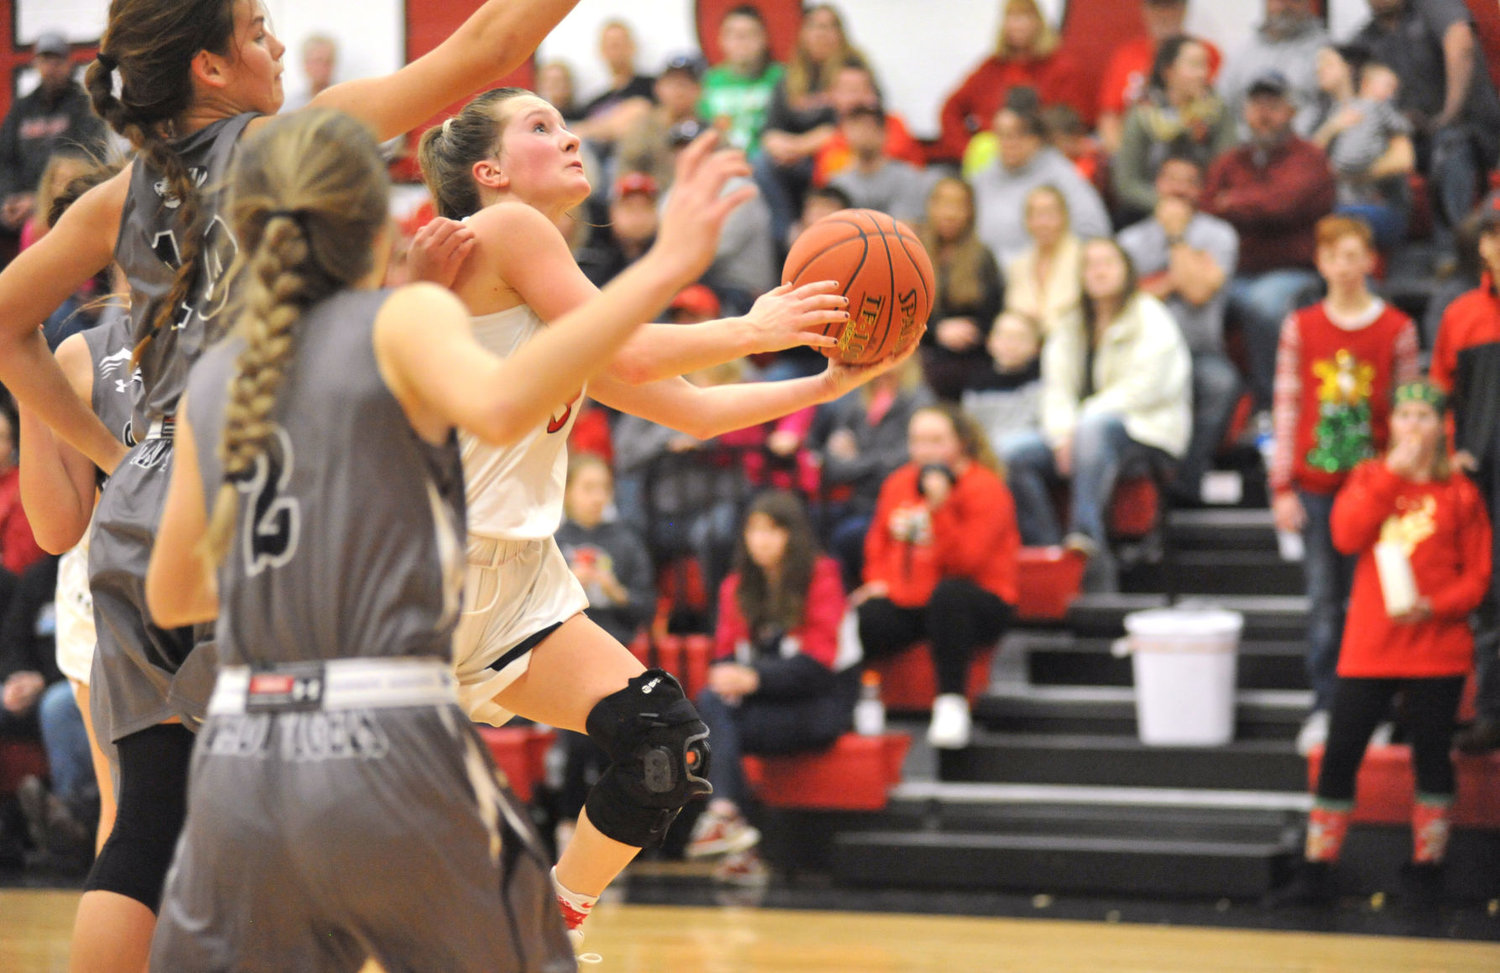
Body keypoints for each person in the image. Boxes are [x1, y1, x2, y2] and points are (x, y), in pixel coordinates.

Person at [0, 1, 590, 969]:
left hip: (151, 512)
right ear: (211, 70)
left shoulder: (122, 194)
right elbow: (489, 46)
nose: (276, 45)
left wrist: (118, 457)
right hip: (267, 508)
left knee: (145, 825)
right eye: (258, 30)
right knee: (339, 820)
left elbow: (5, 322)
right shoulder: (293, 149)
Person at [142, 107, 753, 967]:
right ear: (375, 220)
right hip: (384, 719)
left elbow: (176, 596)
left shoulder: (224, 372)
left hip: (254, 733)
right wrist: (675, 266)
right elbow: (515, 401)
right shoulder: (409, 315)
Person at [413, 85, 917, 950]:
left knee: (663, 744)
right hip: (422, 576)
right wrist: (761, 328)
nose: (570, 138)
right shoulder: (506, 227)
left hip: (515, 583)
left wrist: (828, 385)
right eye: (542, 127)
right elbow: (640, 348)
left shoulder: (546, 287)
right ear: (490, 172)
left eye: (567, 122)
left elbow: (690, 412)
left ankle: (553, 923)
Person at [1273, 381, 1490, 907]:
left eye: (1424, 416)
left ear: (1442, 427)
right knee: (1341, 753)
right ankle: (1318, 866)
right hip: (1371, 645)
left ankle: (1426, 869)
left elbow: (1478, 577)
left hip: (1436, 647)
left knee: (1432, 757)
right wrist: (1394, 471)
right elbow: (1346, 535)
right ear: (1390, 425)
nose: (1413, 425)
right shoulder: (1369, 477)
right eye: (1405, 415)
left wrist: (1434, 607)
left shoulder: (1460, 492)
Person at [1268, 215, 1420, 755]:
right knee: (1324, 603)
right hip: (1315, 486)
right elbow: (1287, 405)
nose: (1346, 266)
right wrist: (1281, 486)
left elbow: (1407, 413)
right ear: (1321, 261)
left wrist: (1401, 484)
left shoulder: (1397, 328)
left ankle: (1373, 711)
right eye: (1336, 256)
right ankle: (1325, 707)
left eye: (1356, 255)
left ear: (1371, 261)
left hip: (1375, 490)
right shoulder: (1301, 326)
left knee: (1372, 605)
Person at [1001, 237, 1191, 591]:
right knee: (1010, 453)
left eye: (1108, 263)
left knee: (1095, 426)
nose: (1099, 271)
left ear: (1127, 271)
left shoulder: (1151, 317)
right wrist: (1061, 433)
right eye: (1090, 264)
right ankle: (1050, 548)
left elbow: (1147, 389)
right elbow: (1055, 390)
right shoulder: (1070, 323)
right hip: (1079, 433)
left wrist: (1079, 423)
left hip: (1146, 431)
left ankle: (1084, 536)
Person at [688, 491, 854, 883]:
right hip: (763, 706)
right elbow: (724, 655)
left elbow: (818, 667)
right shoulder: (736, 587)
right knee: (711, 703)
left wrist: (754, 678)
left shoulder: (822, 575)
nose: (761, 540)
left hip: (817, 707)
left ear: (793, 536)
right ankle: (727, 818)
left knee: (712, 727)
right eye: (754, 530)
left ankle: (732, 830)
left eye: (772, 531)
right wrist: (729, 677)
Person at [855, 403, 1019, 749]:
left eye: (935, 440)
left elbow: (967, 563)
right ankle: (854, 704)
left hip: (978, 600)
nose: (924, 450)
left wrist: (941, 507)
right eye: (917, 441)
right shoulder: (899, 482)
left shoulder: (986, 488)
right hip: (913, 598)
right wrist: (879, 582)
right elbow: (877, 546)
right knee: (864, 615)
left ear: (961, 442)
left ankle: (951, 704)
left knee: (949, 596)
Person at [1203, 69, 1335, 414]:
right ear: (1245, 112)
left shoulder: (1310, 158)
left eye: (1273, 104)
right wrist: (1252, 202)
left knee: (1262, 304)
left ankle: (1271, 406)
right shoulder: (1230, 161)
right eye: (1257, 104)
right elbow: (1205, 207)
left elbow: (1282, 206)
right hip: (1235, 271)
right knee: (1194, 297)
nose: (1264, 113)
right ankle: (1220, 400)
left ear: (1291, 111)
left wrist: (1233, 202)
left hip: (1295, 270)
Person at [1118, 153, 1243, 504]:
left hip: (1199, 352)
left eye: (1189, 181)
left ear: (1200, 190)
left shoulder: (1219, 235)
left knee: (1222, 384)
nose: (1179, 189)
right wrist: (1182, 275)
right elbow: (1121, 298)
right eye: (1171, 179)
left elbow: (1198, 291)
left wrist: (1175, 240)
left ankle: (1182, 484)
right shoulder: (1130, 240)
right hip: (1140, 356)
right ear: (1158, 185)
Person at [1429, 196, 1500, 754]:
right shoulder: (1462, 315)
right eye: (1495, 235)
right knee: (1490, 598)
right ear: (1483, 245)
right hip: (1482, 485)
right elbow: (1441, 397)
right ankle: (1492, 714)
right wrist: (1454, 455)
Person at [1352, 0, 1500, 251]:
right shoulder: (1366, 36)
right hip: (1416, 136)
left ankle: (1452, 255)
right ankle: (1393, 246)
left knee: (1449, 146)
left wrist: (1447, 114)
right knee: (1364, 151)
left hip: (1473, 130)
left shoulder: (1432, 6)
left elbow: (1460, 41)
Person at [806, 359, 932, 592]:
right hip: (856, 498)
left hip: (893, 501)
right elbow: (833, 464)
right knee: (807, 522)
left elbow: (904, 461)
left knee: (848, 535)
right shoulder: (854, 400)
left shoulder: (919, 400)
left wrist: (858, 461)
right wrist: (871, 463)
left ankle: (852, 596)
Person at [754, 4, 868, 249]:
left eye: (829, 27)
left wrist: (800, 145)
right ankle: (785, 236)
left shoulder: (854, 69)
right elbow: (769, 129)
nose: (821, 34)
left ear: (841, 33)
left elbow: (855, 123)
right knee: (761, 163)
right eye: (815, 27)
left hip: (837, 156)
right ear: (803, 33)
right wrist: (781, 146)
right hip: (795, 161)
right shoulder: (789, 76)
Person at [934, 0, 1092, 163]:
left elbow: (1073, 125)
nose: (1018, 25)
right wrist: (967, 151)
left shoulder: (1062, 68)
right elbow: (950, 110)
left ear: (1039, 22)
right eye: (1012, 17)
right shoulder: (991, 68)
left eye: (1024, 17)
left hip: (1042, 159)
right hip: (993, 161)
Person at [1111, 36, 1236, 224]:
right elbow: (1127, 183)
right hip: (1149, 211)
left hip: (1203, 209)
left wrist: (1194, 203)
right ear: (1168, 71)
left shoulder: (1217, 112)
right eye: (1194, 66)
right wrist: (1165, 204)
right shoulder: (1143, 115)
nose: (1202, 74)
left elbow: (1226, 170)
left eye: (1205, 66)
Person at [972, 99, 1110, 269]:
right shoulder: (982, 179)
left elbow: (1094, 231)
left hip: (1046, 275)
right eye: (1002, 134)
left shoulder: (1062, 176)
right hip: (985, 277)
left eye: (1018, 134)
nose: (1008, 143)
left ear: (1037, 137)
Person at [0, 32, 108, 248]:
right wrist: (10, 199)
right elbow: (5, 160)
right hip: (21, 203)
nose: (51, 67)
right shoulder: (22, 108)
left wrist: (39, 200)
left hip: (65, 202)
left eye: (57, 60)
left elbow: (88, 161)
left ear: (69, 63)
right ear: (36, 63)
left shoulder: (84, 106)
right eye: (45, 60)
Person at [1309, 48, 1415, 250]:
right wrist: (1331, 128)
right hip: (1336, 205)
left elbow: (1404, 160)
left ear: (1349, 69)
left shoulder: (1377, 107)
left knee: (1337, 222)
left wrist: (1347, 174)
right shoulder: (1319, 117)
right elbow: (1304, 165)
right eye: (1318, 66)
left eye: (1329, 64)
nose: (1320, 70)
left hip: (1379, 204)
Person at [1096, 0, 1222, 156]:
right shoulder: (1126, 56)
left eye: (1170, 5)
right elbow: (1109, 118)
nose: (1164, 14)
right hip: (1137, 154)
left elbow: (1217, 112)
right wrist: (1124, 161)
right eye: (1157, 6)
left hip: (1191, 154)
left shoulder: (1205, 53)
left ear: (1184, 8)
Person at [917, 176, 1004, 400]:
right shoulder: (912, 253)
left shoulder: (983, 257)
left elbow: (994, 313)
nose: (949, 213)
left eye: (958, 205)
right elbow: (899, 312)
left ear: (970, 212)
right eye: (943, 204)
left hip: (971, 356)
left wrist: (968, 332)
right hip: (922, 352)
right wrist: (936, 331)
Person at [556, 454, 655, 648]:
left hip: (618, 642)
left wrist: (617, 593)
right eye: (589, 488)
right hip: (564, 643)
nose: (598, 497)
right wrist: (568, 586)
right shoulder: (552, 543)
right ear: (567, 492)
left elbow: (648, 607)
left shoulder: (627, 541)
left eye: (605, 488)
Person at [1217, 0, 1330, 139]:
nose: (1283, 7)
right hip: (1243, 152)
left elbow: (1331, 115)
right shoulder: (1243, 52)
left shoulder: (1325, 52)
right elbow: (1221, 109)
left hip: (1300, 152)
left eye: (1292, 1)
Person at [697, 4, 783, 155]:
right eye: (733, 34)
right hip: (720, 162)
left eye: (749, 34)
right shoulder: (709, 80)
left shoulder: (781, 77)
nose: (741, 42)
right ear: (720, 39)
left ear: (764, 38)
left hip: (767, 164)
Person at [826, 104, 931, 226]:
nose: (864, 133)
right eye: (857, 126)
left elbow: (906, 228)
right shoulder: (837, 183)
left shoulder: (907, 177)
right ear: (846, 133)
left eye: (871, 127)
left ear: (884, 133)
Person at [1003, 183, 1083, 338]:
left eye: (1049, 214)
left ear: (1065, 216)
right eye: (1035, 215)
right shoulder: (1017, 265)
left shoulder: (1084, 258)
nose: (1043, 223)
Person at [962, 309, 1044, 457]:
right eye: (1004, 336)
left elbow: (1035, 425)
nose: (1011, 344)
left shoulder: (1041, 380)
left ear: (1036, 347)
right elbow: (972, 426)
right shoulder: (978, 384)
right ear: (990, 342)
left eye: (1020, 338)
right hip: (986, 451)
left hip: (1025, 450)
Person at [282, 33, 337, 111]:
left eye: (327, 61)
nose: (322, 67)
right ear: (305, 64)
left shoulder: (346, 100)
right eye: (317, 61)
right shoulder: (290, 107)